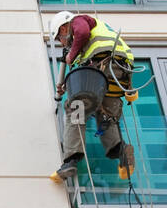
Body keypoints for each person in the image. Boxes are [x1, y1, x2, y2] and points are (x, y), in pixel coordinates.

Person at [50, 10, 137, 183]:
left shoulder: (78, 21)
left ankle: (71, 160)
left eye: (59, 38)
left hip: (104, 67)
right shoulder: (93, 38)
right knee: (106, 117)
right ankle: (122, 153)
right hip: (116, 77)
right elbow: (81, 76)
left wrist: (71, 55)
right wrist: (66, 87)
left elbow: (82, 32)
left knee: (76, 108)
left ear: (63, 28)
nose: (62, 43)